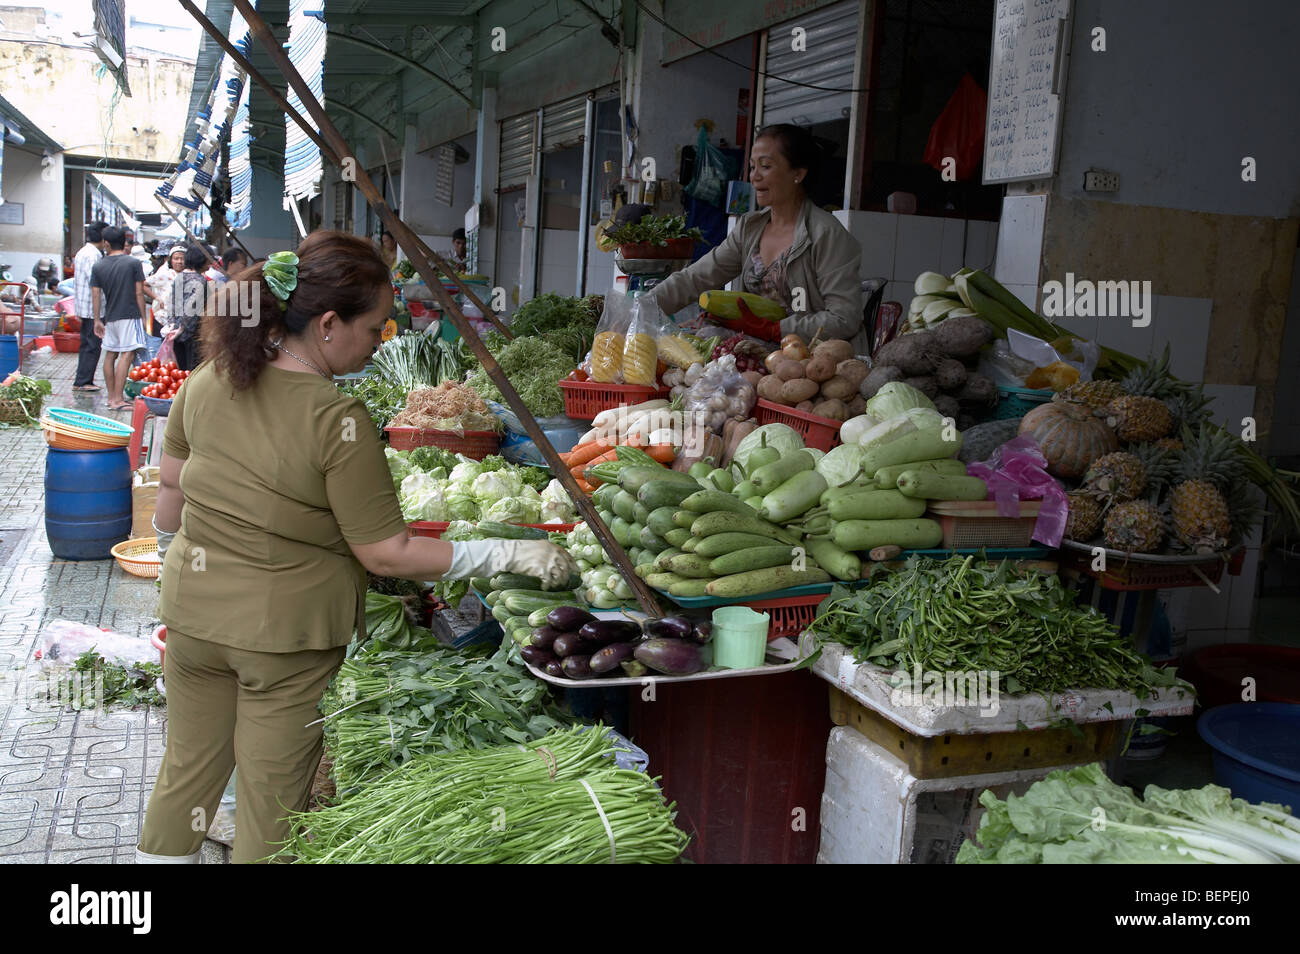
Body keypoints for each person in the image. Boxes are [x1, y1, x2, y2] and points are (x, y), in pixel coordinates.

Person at [135, 231, 575, 864]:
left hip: (192, 620)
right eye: (374, 328)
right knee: (269, 798)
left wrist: (179, 574)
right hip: (282, 640)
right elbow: (388, 554)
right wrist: (507, 554)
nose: (381, 341)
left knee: (187, 772)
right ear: (329, 324)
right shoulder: (335, 418)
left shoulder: (208, 380)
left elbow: (171, 493)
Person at [649, 124, 865, 353]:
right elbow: (695, 278)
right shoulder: (750, 228)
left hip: (809, 363)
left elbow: (844, 318)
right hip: (753, 353)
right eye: (752, 167)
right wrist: (642, 307)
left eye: (766, 166)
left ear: (798, 174)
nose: (754, 176)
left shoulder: (826, 235)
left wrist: (773, 329)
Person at [90, 225, 148, 411]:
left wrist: (97, 319)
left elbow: (96, 295)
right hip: (130, 314)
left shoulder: (99, 265)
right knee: (127, 354)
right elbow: (139, 293)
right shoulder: (133, 263)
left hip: (110, 316)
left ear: (106, 243)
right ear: (124, 242)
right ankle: (117, 399)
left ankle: (111, 398)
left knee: (110, 354)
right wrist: (144, 317)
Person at [73, 222, 109, 391]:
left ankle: (84, 379)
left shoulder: (84, 252)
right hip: (91, 308)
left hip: (85, 306)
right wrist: (97, 317)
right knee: (91, 345)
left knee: (88, 343)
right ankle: (83, 381)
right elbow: (95, 285)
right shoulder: (92, 255)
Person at [169, 245, 208, 372]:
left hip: (175, 332)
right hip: (191, 332)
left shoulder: (179, 277)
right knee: (191, 371)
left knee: (180, 369)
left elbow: (173, 302)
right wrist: (182, 328)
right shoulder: (200, 280)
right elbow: (191, 307)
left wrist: (173, 324)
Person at [147, 246, 186, 332]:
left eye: (182, 259)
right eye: (176, 258)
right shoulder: (165, 274)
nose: (179, 262)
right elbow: (143, 284)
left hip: (181, 323)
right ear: (170, 260)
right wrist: (157, 298)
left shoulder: (189, 276)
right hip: (162, 319)